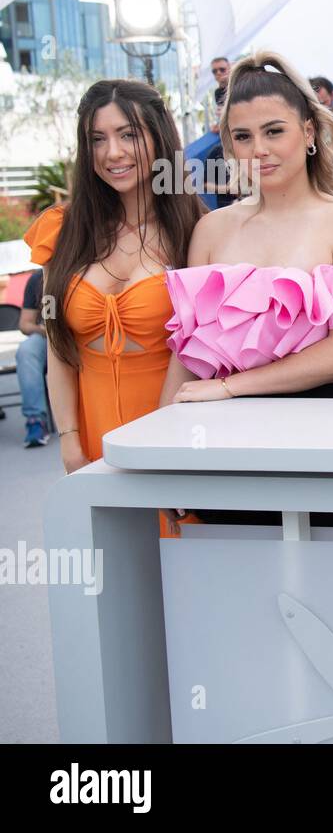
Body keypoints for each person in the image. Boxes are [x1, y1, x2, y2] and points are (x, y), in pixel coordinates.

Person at [160, 51, 333, 529]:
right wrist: (164, 454)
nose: (258, 149)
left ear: (307, 132)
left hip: (324, 445)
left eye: (274, 131)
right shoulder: (212, 230)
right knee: (230, 590)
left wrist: (229, 387)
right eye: (243, 136)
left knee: (328, 595)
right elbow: (186, 353)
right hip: (222, 449)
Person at [25, 79, 207, 536]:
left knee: (182, 585)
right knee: (108, 593)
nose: (113, 153)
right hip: (91, 442)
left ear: (159, 138)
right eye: (97, 139)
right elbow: (59, 349)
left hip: (176, 441)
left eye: (128, 134)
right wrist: (69, 441)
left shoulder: (198, 231)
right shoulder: (60, 231)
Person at [16, 269, 49, 447]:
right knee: (26, 350)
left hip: (84, 335)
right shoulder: (40, 279)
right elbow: (25, 324)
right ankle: (35, 421)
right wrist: (47, 330)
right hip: (47, 337)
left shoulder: (85, 268)